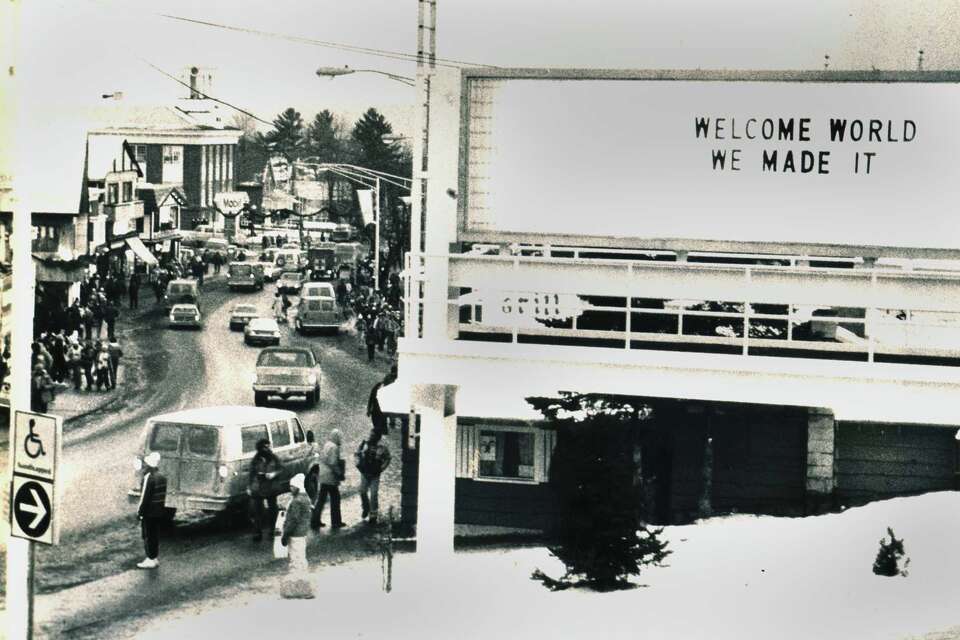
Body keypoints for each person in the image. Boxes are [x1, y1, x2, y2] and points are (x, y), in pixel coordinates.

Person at [279, 473, 314, 599]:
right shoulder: (305, 498)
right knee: (301, 560)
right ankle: (303, 586)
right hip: (302, 533)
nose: (290, 489)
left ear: (298, 487)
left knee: (296, 560)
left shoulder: (297, 501)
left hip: (295, 535)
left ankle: (299, 588)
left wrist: (284, 535)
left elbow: (293, 520)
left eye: (292, 487)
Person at [136, 451, 167, 569]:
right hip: (159, 511)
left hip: (149, 512)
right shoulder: (162, 477)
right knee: (154, 535)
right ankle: (154, 557)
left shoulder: (149, 478)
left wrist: (139, 513)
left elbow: (144, 498)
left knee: (148, 535)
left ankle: (150, 558)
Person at [311, 429, 345, 530]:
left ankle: (315, 521)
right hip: (330, 477)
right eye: (340, 437)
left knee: (321, 499)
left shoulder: (327, 444)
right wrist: (340, 473)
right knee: (335, 499)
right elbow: (333, 463)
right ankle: (336, 522)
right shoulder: (334, 447)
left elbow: (323, 458)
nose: (341, 439)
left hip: (322, 475)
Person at [248, 438, 281, 542]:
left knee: (272, 509)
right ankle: (257, 532)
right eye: (265, 447)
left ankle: (272, 530)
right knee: (257, 511)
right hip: (259, 487)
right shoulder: (256, 459)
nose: (268, 449)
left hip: (271, 486)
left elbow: (281, 469)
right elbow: (251, 474)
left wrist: (273, 474)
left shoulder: (274, 458)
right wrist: (249, 487)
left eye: (268, 446)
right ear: (260, 448)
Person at [355, 433, 391, 524]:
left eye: (373, 436)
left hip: (375, 475)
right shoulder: (364, 444)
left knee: (373, 494)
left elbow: (388, 458)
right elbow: (357, 453)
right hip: (365, 473)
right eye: (370, 435)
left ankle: (373, 516)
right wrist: (358, 463)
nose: (371, 437)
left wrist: (382, 468)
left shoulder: (382, 447)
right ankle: (365, 507)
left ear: (377, 438)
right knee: (362, 491)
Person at [367, 366, 397, 438]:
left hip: (381, 413)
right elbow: (371, 397)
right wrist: (368, 409)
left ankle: (377, 439)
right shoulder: (378, 386)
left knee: (380, 430)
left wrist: (392, 420)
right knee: (379, 429)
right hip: (376, 411)